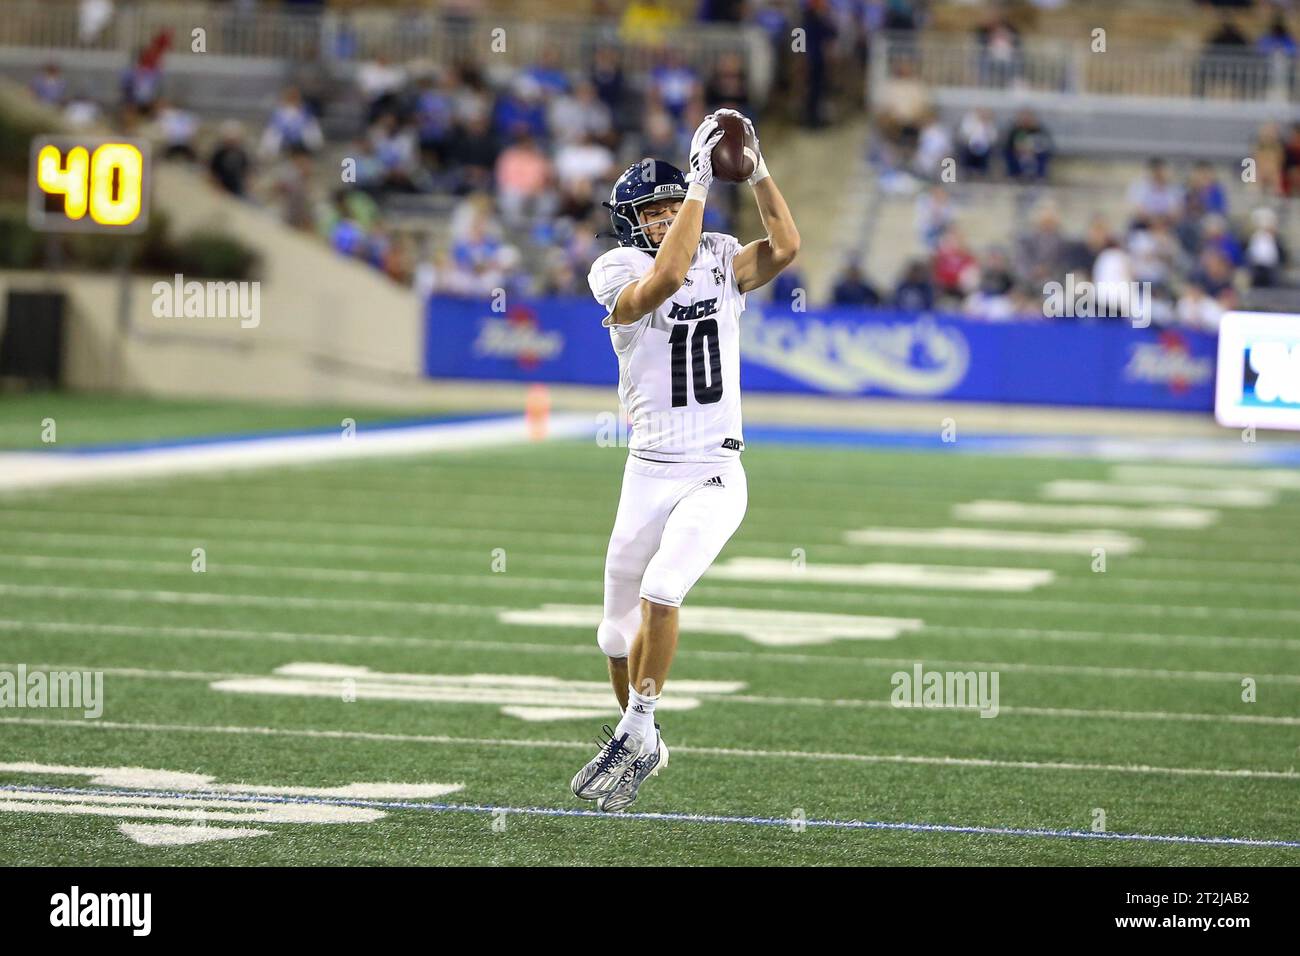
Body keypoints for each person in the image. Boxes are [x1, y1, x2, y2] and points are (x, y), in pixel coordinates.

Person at [576, 110, 799, 812]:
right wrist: (700, 181)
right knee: (614, 633)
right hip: (646, 469)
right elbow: (666, 276)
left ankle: (637, 725)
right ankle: (644, 735)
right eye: (654, 210)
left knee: (663, 591)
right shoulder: (615, 270)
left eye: (675, 204)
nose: (669, 216)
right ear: (627, 222)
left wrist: (757, 168)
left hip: (712, 470)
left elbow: (786, 247)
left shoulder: (717, 255)